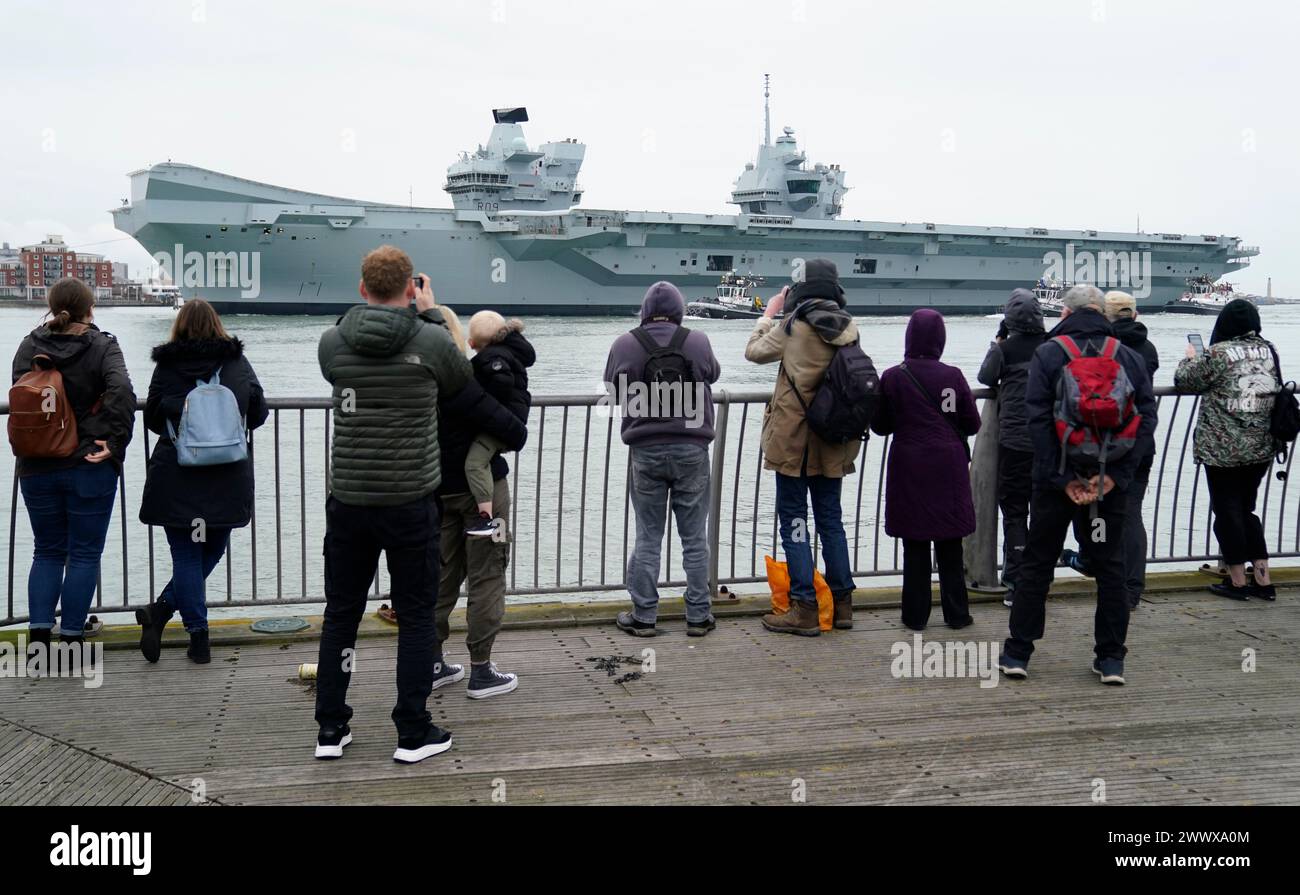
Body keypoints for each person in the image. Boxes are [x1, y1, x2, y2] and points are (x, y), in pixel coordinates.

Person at [313, 246, 472, 764]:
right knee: (417, 617)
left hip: (350, 501)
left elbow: (336, 369)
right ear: (411, 286)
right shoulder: (429, 339)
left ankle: (331, 730)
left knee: (341, 615)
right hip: (410, 502)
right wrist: (427, 311)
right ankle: (412, 730)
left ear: (362, 288)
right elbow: (460, 381)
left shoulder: (332, 341)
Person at [998, 285, 1157, 686]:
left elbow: (1037, 421)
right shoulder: (1129, 356)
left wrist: (1062, 478)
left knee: (1037, 565)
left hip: (1056, 485)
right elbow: (1146, 422)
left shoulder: (1049, 354)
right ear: (1102, 313)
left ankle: (1019, 653)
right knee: (1111, 569)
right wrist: (1113, 478)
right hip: (1108, 485)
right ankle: (1110, 660)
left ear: (1065, 313)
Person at [135, 299, 268, 664]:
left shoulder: (166, 364)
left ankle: (194, 634)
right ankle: (163, 610)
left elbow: (151, 417)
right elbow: (257, 412)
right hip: (227, 475)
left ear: (179, 326)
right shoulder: (236, 362)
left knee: (186, 555)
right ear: (217, 325)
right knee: (212, 550)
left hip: (177, 474)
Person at [11, 278, 135, 654]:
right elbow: (122, 391)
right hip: (88, 462)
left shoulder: (29, 345)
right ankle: (72, 641)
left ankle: (38, 642)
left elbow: (21, 396)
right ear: (89, 307)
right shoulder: (102, 345)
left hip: (36, 462)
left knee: (46, 550)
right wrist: (114, 442)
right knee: (83, 553)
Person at [745, 260, 859, 635]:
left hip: (794, 441)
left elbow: (755, 352)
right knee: (831, 521)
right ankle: (843, 605)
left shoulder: (795, 325)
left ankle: (804, 606)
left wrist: (769, 314)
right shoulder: (848, 326)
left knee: (794, 522)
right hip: (833, 440)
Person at [604, 282, 721, 637]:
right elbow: (713, 374)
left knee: (648, 537)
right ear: (679, 310)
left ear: (643, 310)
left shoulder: (625, 343)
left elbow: (611, 388)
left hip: (646, 451)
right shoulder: (696, 340)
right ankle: (699, 616)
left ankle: (644, 616)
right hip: (691, 451)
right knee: (694, 538)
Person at [433, 307, 530, 699]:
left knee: (438, 577)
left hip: (435, 485)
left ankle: (431, 662)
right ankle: (480, 670)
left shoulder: (422, 377)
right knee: (487, 575)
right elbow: (509, 426)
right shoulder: (473, 377)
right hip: (484, 486)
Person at [874, 309, 981, 630]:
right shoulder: (953, 376)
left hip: (909, 464)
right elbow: (972, 424)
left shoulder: (894, 376)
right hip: (949, 465)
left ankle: (915, 616)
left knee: (915, 543)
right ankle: (957, 614)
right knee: (950, 542)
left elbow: (880, 425)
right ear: (940, 340)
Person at [1059, 291, 1159, 611]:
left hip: (1101, 446)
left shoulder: (1107, 350)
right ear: (1135, 313)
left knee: (1090, 512)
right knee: (1132, 515)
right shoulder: (1148, 349)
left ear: (1105, 316)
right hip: (1140, 444)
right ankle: (1130, 585)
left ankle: (1093, 563)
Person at [1174, 298, 1279, 601]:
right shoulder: (1269, 349)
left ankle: (1236, 582)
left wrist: (1190, 357)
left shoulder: (1218, 353)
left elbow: (1184, 381)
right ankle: (1263, 580)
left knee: (1227, 511)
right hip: (1261, 447)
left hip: (1223, 448)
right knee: (1246, 509)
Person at [977, 289, 1046, 607]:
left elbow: (985, 377)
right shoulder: (1052, 347)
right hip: (1049, 442)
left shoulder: (1006, 349)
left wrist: (997, 345)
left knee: (1016, 513)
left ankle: (1016, 582)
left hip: (1015, 441)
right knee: (1044, 513)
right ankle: (1041, 579)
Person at [462, 311, 534, 537]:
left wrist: (479, 399)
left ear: (472, 343)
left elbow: (501, 382)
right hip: (511, 421)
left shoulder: (492, 359)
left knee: (474, 463)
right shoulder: (510, 354)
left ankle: (485, 517)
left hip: (501, 424)